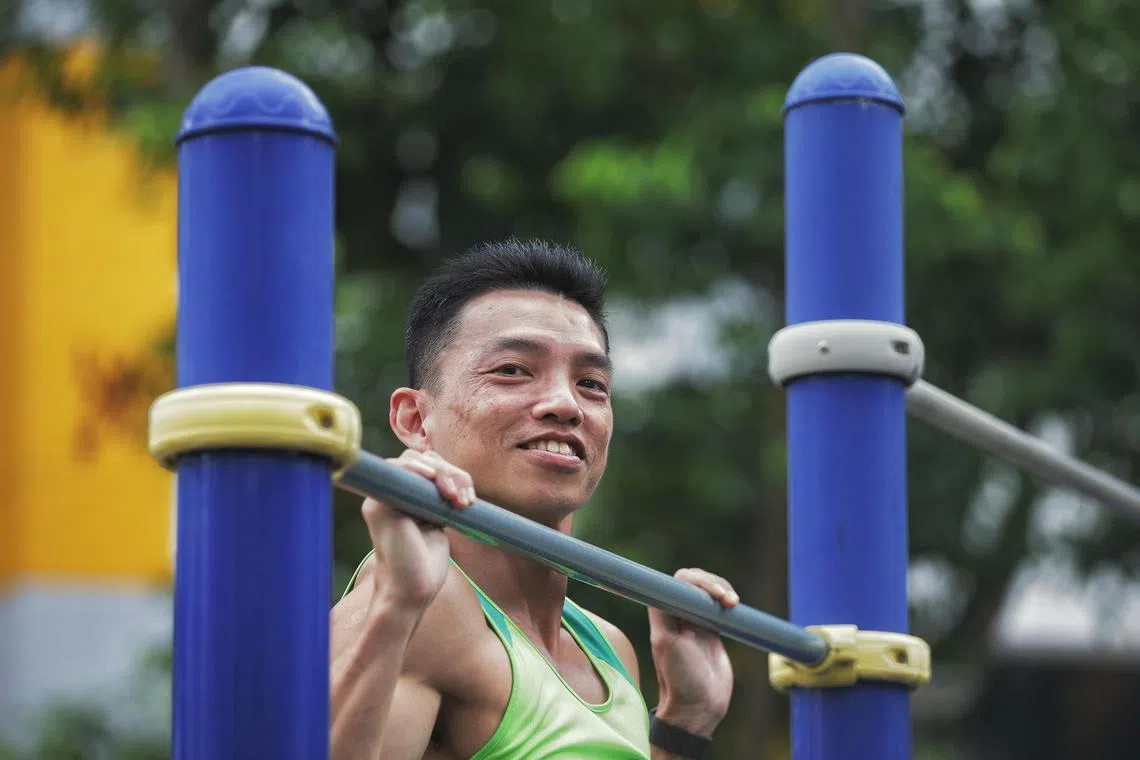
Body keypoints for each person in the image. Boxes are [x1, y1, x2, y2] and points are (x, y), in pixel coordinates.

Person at [330, 239, 737, 759]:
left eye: (591, 383)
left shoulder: (606, 646)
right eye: (513, 370)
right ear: (414, 420)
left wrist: (685, 721)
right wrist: (397, 604)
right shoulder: (422, 608)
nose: (566, 404)